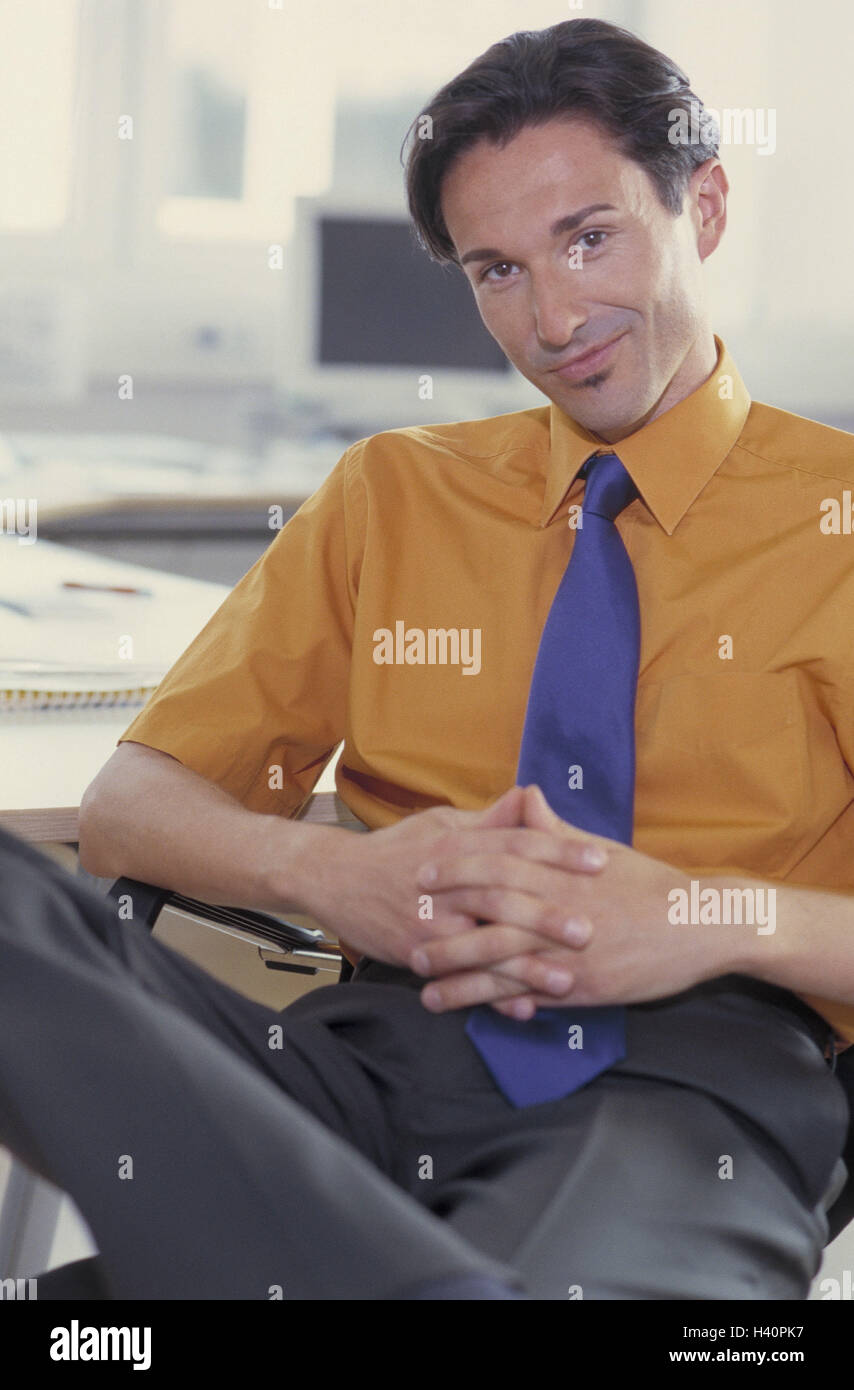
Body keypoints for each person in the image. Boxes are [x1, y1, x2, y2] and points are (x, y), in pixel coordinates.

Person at [3, 17, 853, 1300]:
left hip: (676, 1088)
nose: (554, 314)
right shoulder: (392, 492)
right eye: (495, 269)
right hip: (345, 1062)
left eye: (588, 236)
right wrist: (328, 877)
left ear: (706, 207)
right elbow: (131, 811)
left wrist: (688, 915)